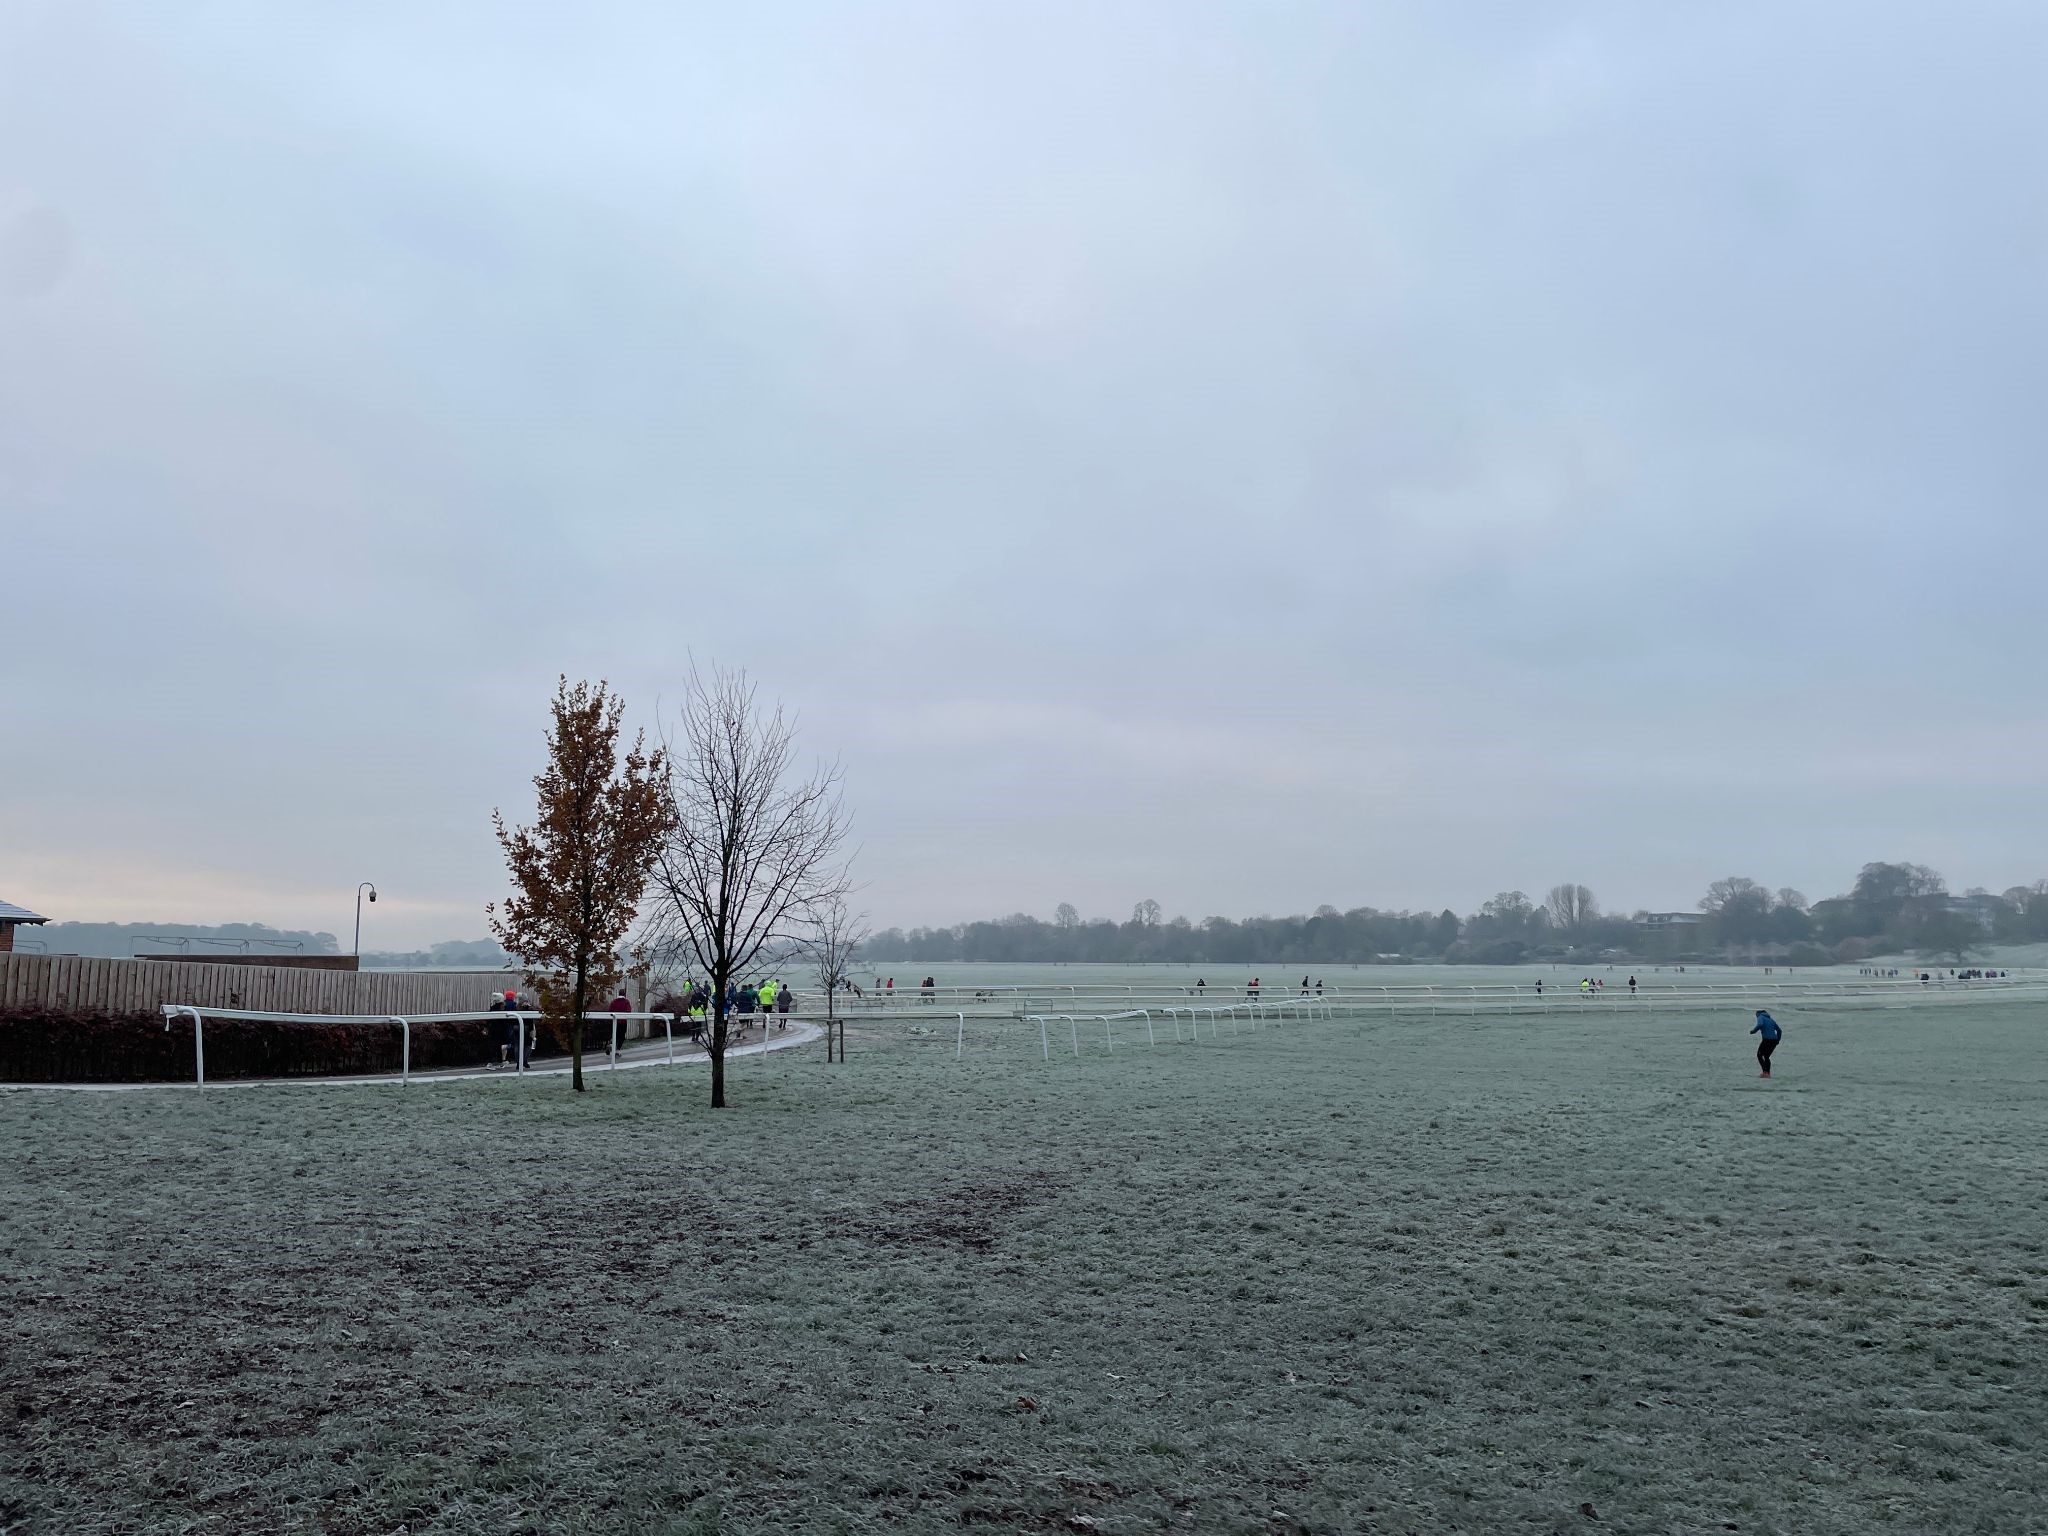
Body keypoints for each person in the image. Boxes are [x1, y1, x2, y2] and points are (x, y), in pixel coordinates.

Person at [1750, 1009, 1783, 1078]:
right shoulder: (1771, 1020)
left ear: (1758, 1014)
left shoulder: (1760, 1017)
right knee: (1766, 1056)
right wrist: (1778, 1040)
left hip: (1767, 1040)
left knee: (1759, 1055)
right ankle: (1768, 1073)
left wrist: (1753, 1031)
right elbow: (1779, 1030)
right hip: (1774, 1041)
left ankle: (1765, 1072)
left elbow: (1760, 1024)